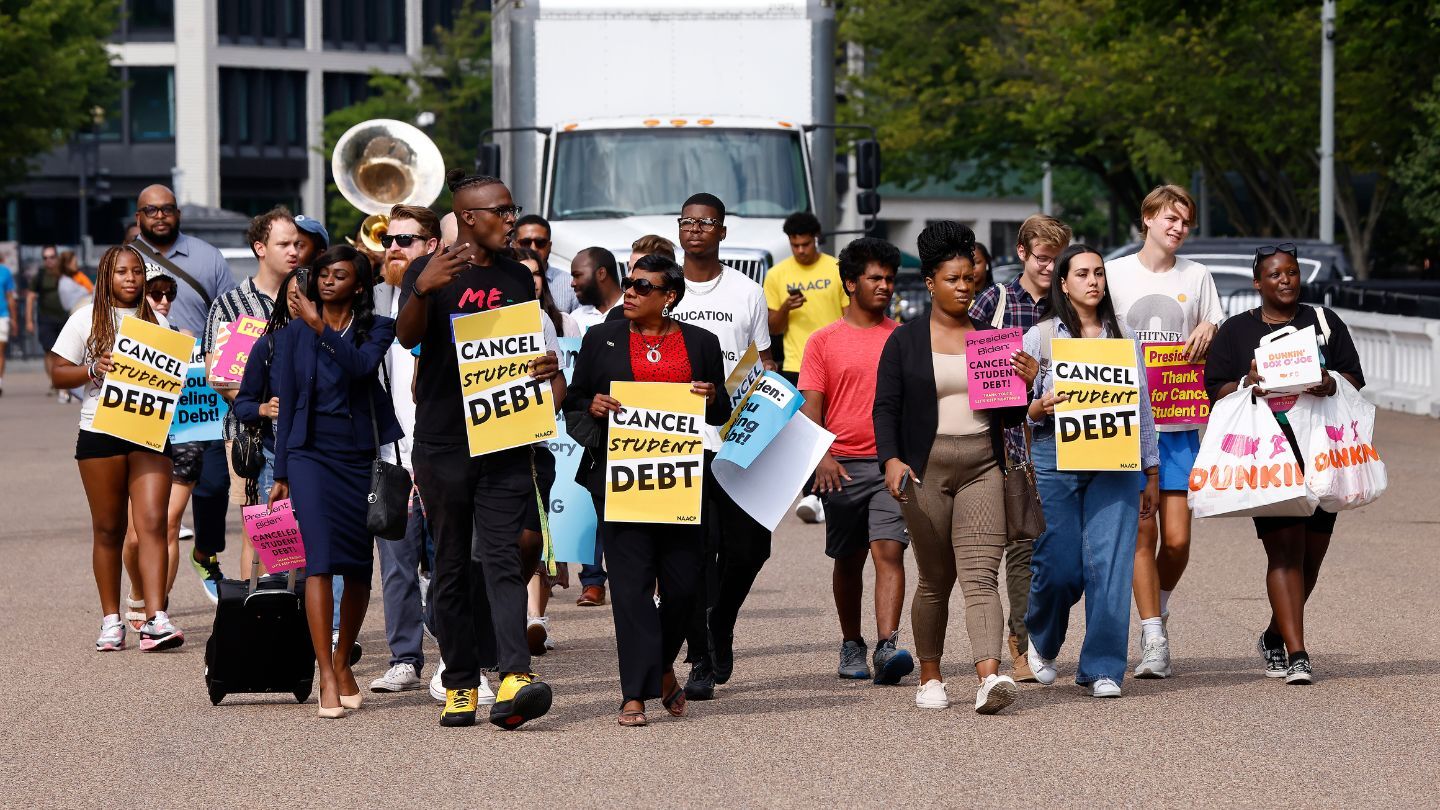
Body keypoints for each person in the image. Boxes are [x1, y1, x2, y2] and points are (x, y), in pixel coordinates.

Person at [396, 169, 559, 730]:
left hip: (505, 437)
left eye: (512, 209)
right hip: (443, 442)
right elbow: (408, 338)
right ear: (469, 217)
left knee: (504, 557)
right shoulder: (429, 270)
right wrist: (422, 287)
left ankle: (514, 675)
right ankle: (461, 682)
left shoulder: (518, 277)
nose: (511, 220)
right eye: (502, 211)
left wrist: (544, 367)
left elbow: (523, 345)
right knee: (450, 564)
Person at [874, 223, 1037, 713]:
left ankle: (989, 677)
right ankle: (930, 673)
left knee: (981, 576)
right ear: (930, 282)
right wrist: (891, 459)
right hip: (923, 472)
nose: (965, 287)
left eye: (971, 279)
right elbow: (885, 408)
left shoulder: (992, 340)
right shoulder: (904, 341)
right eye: (953, 279)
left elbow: (1007, 415)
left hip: (982, 467)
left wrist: (1025, 385)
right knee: (934, 578)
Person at [564, 254, 729, 726]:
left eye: (641, 286)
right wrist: (592, 405)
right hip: (621, 482)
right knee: (633, 590)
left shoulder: (702, 342)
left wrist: (713, 397)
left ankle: (659, 671)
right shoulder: (601, 339)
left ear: (669, 297)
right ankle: (633, 692)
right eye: (628, 285)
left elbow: (720, 412)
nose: (630, 293)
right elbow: (574, 402)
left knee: (682, 588)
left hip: (682, 482)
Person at [1204, 243, 1364, 685]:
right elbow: (1213, 389)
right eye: (1275, 274)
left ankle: (1275, 633)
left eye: (1291, 272)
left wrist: (1329, 382)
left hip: (1322, 456)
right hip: (1269, 458)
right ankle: (1298, 653)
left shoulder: (1325, 322)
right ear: (1259, 283)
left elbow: (1354, 377)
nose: (1286, 280)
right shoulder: (1236, 333)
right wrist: (1247, 383)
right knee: (1285, 552)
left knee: (1312, 558)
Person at [258, 246, 399, 718]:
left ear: (359, 285)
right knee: (317, 562)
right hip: (308, 455)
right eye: (322, 275)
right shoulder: (294, 334)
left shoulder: (377, 328)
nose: (327, 282)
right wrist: (280, 472)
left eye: (339, 276)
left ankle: (343, 660)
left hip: (357, 456)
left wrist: (323, 330)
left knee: (358, 567)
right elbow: (290, 397)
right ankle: (324, 672)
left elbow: (360, 368)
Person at [1023, 244, 1161, 699]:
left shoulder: (1126, 342)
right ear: (1063, 283)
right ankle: (1041, 641)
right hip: (1054, 458)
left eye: (1098, 272)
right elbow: (1017, 411)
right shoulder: (1040, 338)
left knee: (1111, 564)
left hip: (1115, 464)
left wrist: (1151, 471)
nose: (1093, 280)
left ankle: (1103, 666)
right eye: (1081, 273)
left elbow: (1142, 409)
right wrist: (1037, 407)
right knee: (1058, 564)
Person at [659, 193, 776, 700]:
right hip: (678, 440)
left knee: (752, 546)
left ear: (722, 231)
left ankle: (720, 619)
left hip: (738, 436)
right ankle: (702, 656)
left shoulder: (747, 293)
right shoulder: (663, 291)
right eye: (687, 222)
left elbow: (765, 364)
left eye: (706, 223)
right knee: (695, 552)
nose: (696, 230)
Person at [1105, 185, 1223, 679]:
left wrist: (1211, 327)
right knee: (1141, 534)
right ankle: (1153, 635)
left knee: (1176, 541)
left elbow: (1215, 322)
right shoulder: (1113, 274)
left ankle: (1161, 606)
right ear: (1147, 218)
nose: (1178, 228)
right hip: (1125, 422)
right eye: (1170, 218)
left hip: (1177, 422)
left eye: (1186, 222)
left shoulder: (1197, 276)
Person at [49, 245, 183, 652]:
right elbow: (56, 372)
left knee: (153, 523)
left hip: (148, 433)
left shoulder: (157, 320)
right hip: (100, 430)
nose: (131, 278)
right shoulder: (85, 319)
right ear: (106, 275)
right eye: (121, 271)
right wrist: (92, 369)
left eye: (137, 272)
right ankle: (111, 620)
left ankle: (156, 618)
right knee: (109, 528)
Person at [798, 237, 914, 686]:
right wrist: (821, 455)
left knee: (889, 550)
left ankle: (887, 647)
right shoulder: (822, 341)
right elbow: (812, 405)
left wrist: (903, 458)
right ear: (850, 284)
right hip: (841, 465)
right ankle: (852, 642)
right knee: (847, 558)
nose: (884, 286)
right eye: (874, 278)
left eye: (889, 278)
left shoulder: (902, 337)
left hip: (890, 463)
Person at [966, 214, 1073, 682]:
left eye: (1057, 260)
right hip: (1003, 436)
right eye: (1043, 258)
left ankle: (1029, 638)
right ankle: (1013, 642)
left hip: (1059, 440)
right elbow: (973, 363)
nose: (1050, 268)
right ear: (1023, 252)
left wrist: (1040, 380)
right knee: (1012, 542)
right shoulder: (996, 300)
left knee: (1044, 545)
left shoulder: (1066, 302)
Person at [131, 185, 238, 601]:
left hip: (199, 393)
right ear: (138, 216)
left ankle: (206, 554)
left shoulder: (207, 256)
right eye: (151, 210)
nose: (160, 216)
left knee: (213, 486)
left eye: (167, 209)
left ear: (177, 213)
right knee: (156, 505)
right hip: (147, 393)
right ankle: (151, 601)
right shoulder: (125, 261)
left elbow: (231, 314)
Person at [198, 206, 300, 600]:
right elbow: (217, 374)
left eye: (296, 244)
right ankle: (253, 618)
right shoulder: (230, 305)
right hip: (249, 436)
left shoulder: (307, 297)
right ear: (260, 247)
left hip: (305, 432)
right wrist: (261, 404)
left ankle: (301, 620)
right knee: (260, 530)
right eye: (283, 244)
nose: (294, 251)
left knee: (303, 529)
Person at [367, 203, 439, 694]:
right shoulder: (370, 301)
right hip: (388, 456)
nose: (393, 248)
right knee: (395, 564)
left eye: (405, 240)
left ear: (431, 247)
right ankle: (404, 658)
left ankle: (455, 655)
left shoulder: (448, 297)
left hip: (439, 454)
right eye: (389, 240)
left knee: (448, 563)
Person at [120, 266, 192, 630]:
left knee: (168, 524)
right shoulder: (123, 337)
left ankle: (157, 608)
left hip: (184, 438)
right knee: (134, 535)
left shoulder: (184, 339)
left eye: (169, 295)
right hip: (141, 438)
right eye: (155, 293)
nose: (163, 301)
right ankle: (138, 588)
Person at [766, 212, 847, 526]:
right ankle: (812, 496)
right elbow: (772, 326)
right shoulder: (776, 274)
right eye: (794, 245)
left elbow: (847, 314)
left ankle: (827, 494)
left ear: (816, 239)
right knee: (802, 432)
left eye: (805, 244)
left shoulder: (836, 268)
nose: (800, 250)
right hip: (796, 363)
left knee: (831, 426)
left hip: (834, 360)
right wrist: (786, 307)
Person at [513, 214, 578, 313]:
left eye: (540, 243)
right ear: (514, 245)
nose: (533, 248)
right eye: (525, 243)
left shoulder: (570, 284)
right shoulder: (502, 280)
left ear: (549, 246)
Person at [515, 246, 580, 337]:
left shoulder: (566, 323)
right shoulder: (497, 322)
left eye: (537, 274)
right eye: (525, 274)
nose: (533, 280)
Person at [27, 245, 66, 395]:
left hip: (65, 318)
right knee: (49, 351)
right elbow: (30, 297)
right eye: (45, 258)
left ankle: (62, 381)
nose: (48, 260)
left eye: (51, 257)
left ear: (56, 258)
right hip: (46, 318)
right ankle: (54, 382)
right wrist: (29, 321)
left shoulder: (64, 274)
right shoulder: (40, 276)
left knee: (63, 352)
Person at [570, 246, 625, 335]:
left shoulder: (633, 310)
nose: (572, 283)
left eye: (577, 275)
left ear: (601, 273)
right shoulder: (575, 318)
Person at [0, 254, 16, 396]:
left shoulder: (5, 272)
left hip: (2, 316)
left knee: (0, 352)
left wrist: (14, 319)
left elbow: (10, 297)